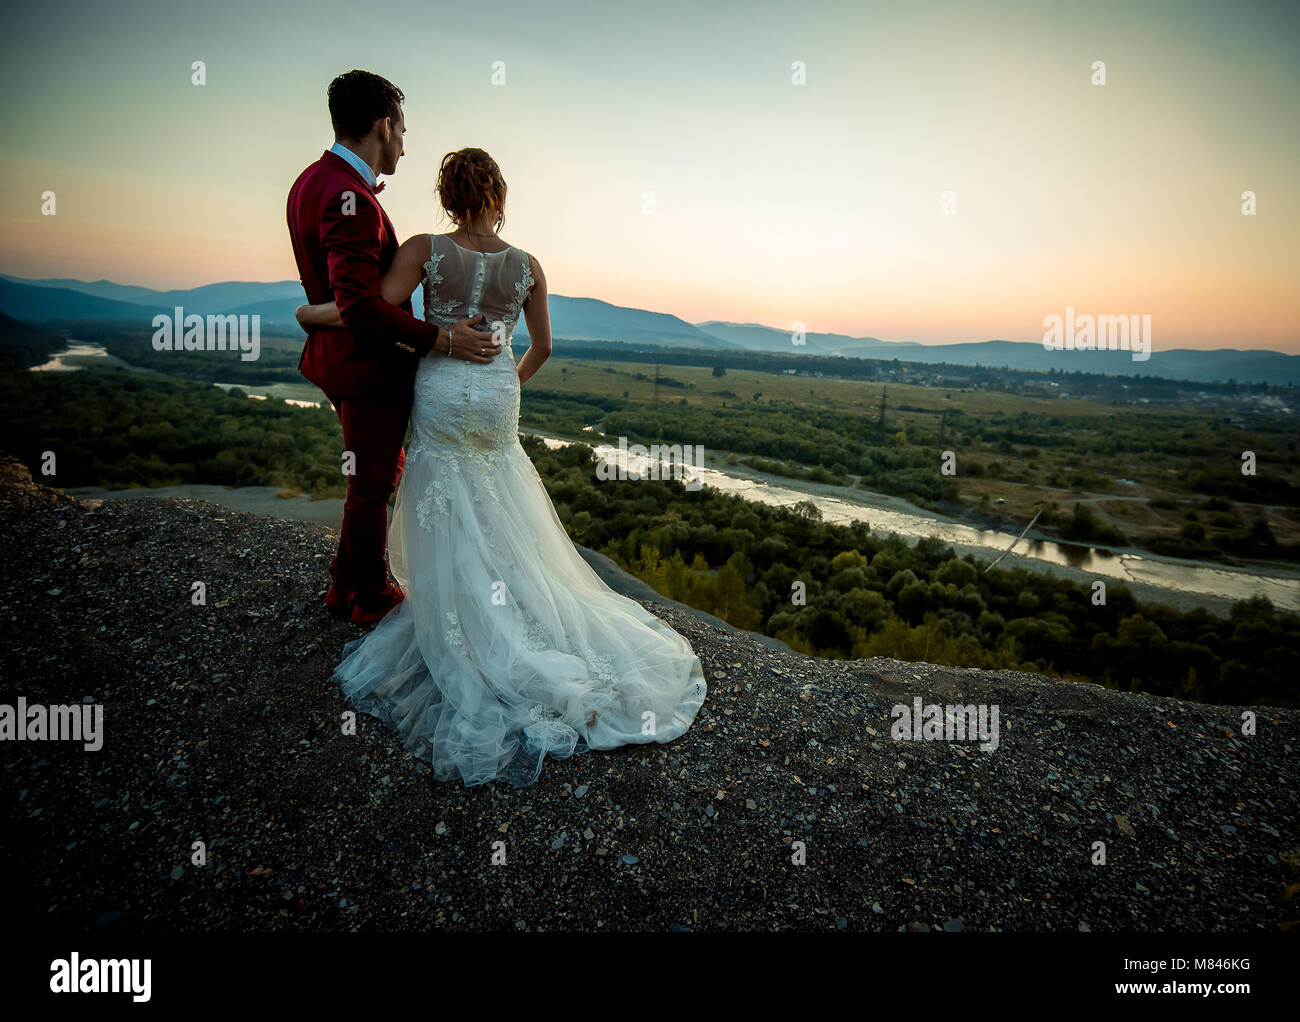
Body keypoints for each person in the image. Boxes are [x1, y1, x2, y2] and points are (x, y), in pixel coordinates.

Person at [295, 148, 707, 786]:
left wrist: (309, 314)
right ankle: (516, 608)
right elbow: (543, 344)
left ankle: (462, 613)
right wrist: (507, 380)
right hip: (493, 392)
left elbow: (374, 310)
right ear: (499, 194)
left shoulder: (422, 247)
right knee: (499, 495)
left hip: (440, 383)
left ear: (446, 192)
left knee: (445, 492)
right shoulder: (529, 265)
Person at [286, 69, 498, 625]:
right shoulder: (347, 197)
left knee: (371, 477)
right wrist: (445, 338)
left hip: (342, 364)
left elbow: (339, 296)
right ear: (384, 126)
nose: (404, 144)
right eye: (402, 130)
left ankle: (343, 586)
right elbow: (358, 306)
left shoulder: (310, 181)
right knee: (373, 485)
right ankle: (373, 600)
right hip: (367, 367)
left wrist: (310, 313)